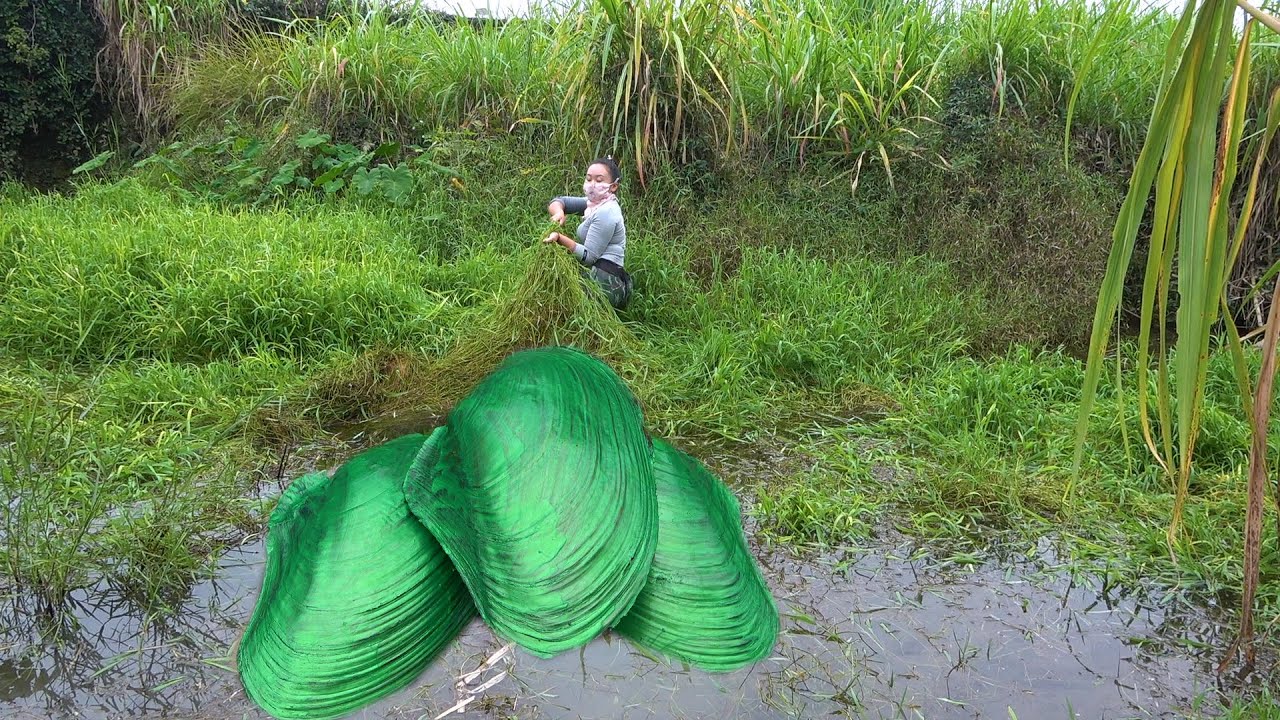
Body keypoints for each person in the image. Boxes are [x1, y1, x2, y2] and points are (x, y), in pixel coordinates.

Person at [543, 156, 632, 310]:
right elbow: (559, 201)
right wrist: (559, 213)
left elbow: (588, 257)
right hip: (595, 274)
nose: (592, 185)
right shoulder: (594, 204)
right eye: (589, 179)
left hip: (606, 283)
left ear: (614, 186)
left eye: (599, 180)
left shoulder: (607, 212)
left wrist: (559, 238)